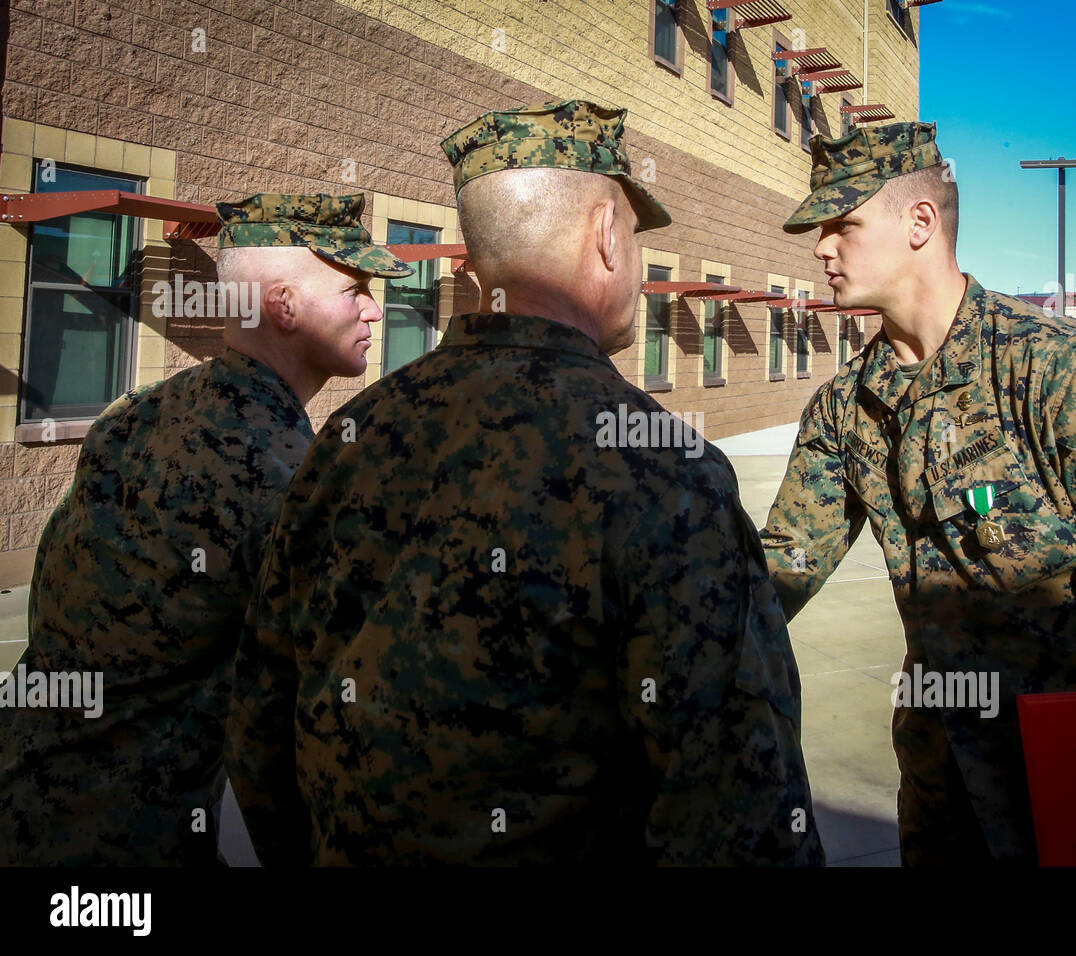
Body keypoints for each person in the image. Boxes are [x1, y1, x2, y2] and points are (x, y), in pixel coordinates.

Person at [226, 100, 824, 866]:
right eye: (637, 239)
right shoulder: (662, 470)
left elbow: (260, 722)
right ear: (607, 235)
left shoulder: (346, 442)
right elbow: (742, 810)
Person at [760, 121, 1076, 865]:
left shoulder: (1059, 371)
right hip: (943, 791)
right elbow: (780, 570)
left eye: (843, 223)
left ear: (920, 222)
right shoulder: (846, 408)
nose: (822, 247)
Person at [0, 193, 411, 865]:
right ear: (283, 306)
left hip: (28, 791)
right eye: (354, 289)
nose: (374, 308)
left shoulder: (136, 411)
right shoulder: (283, 472)